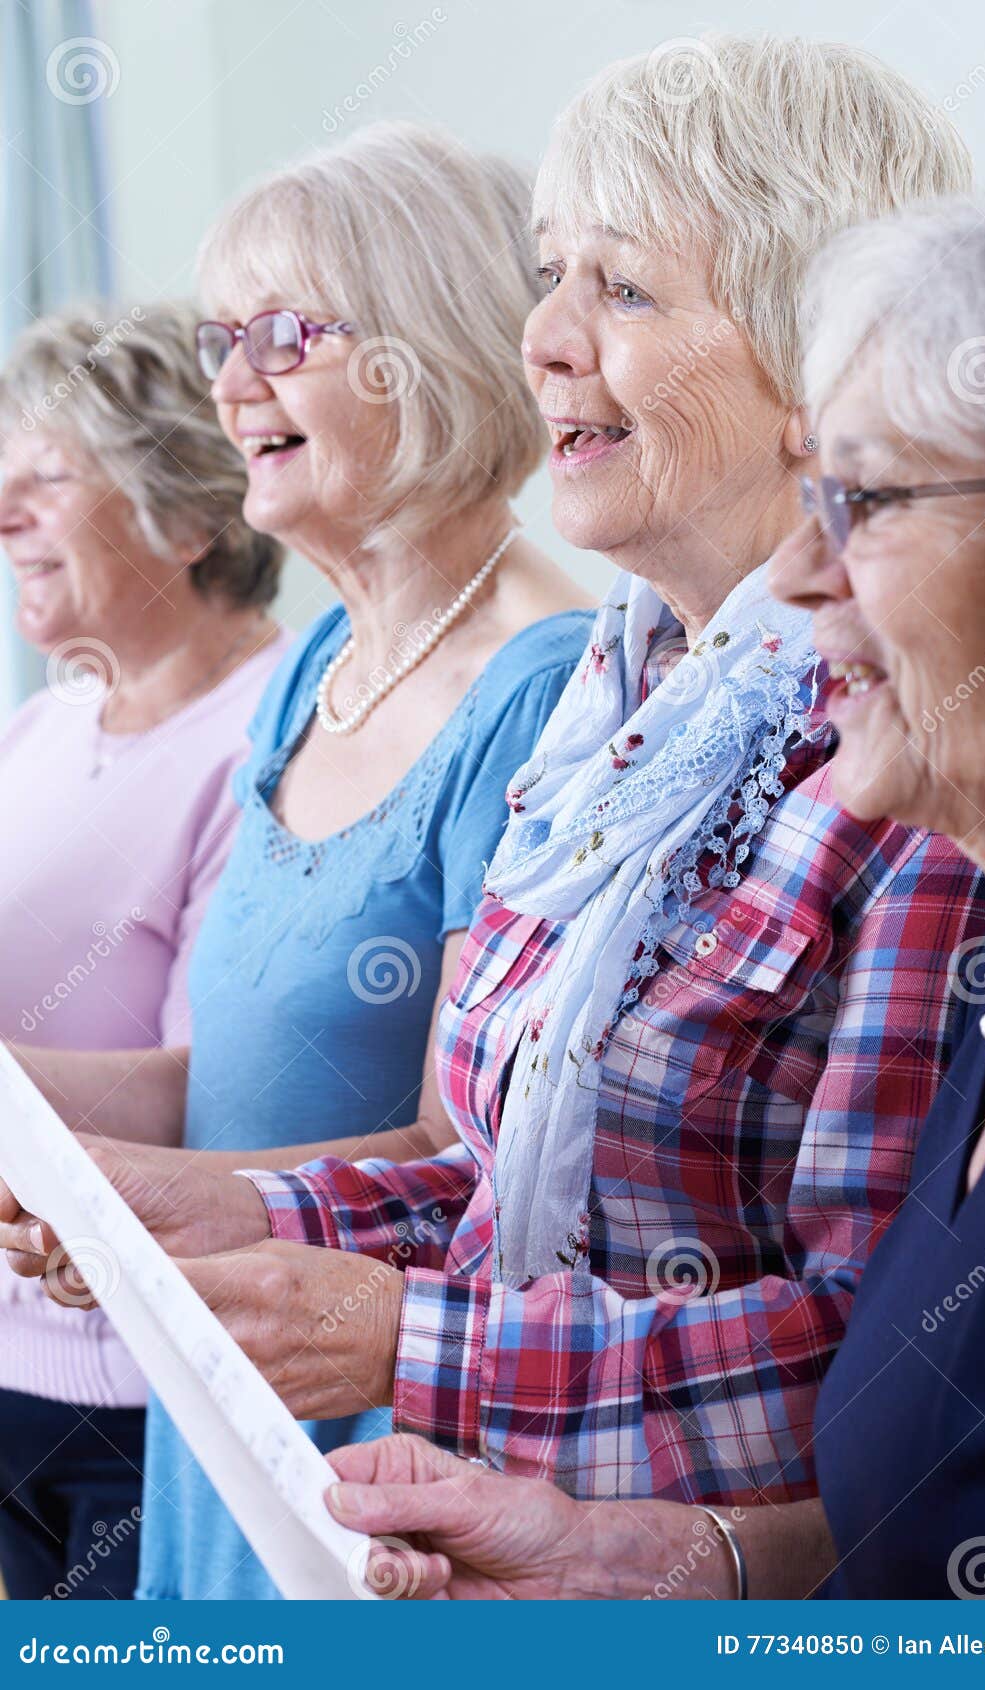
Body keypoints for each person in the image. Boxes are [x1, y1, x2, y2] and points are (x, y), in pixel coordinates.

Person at [4, 39, 985, 1533]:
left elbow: (890, 1364)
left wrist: (404, 1340)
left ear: (819, 354)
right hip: (479, 1549)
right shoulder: (616, 699)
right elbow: (491, 1180)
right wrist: (245, 1209)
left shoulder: (917, 765)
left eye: (625, 287)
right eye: (550, 276)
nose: (542, 337)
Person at [322, 182, 985, 1601]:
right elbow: (935, 1520)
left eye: (862, 502)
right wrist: (671, 1567)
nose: (801, 576)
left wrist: (386, 1331)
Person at [0, 124, 592, 1602]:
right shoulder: (317, 666)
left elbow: (466, 1162)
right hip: (220, 1404)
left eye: (283, 336)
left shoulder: (542, 683)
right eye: (221, 342)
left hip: (380, 1446)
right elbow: (224, 1076)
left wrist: (144, 1205)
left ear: (424, 345)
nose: (231, 386)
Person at [0, 302, 288, 1598]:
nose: (7, 514)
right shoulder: (43, 727)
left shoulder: (269, 739)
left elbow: (203, 1094)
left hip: (138, 1396)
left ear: (189, 517)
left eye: (50, 478)